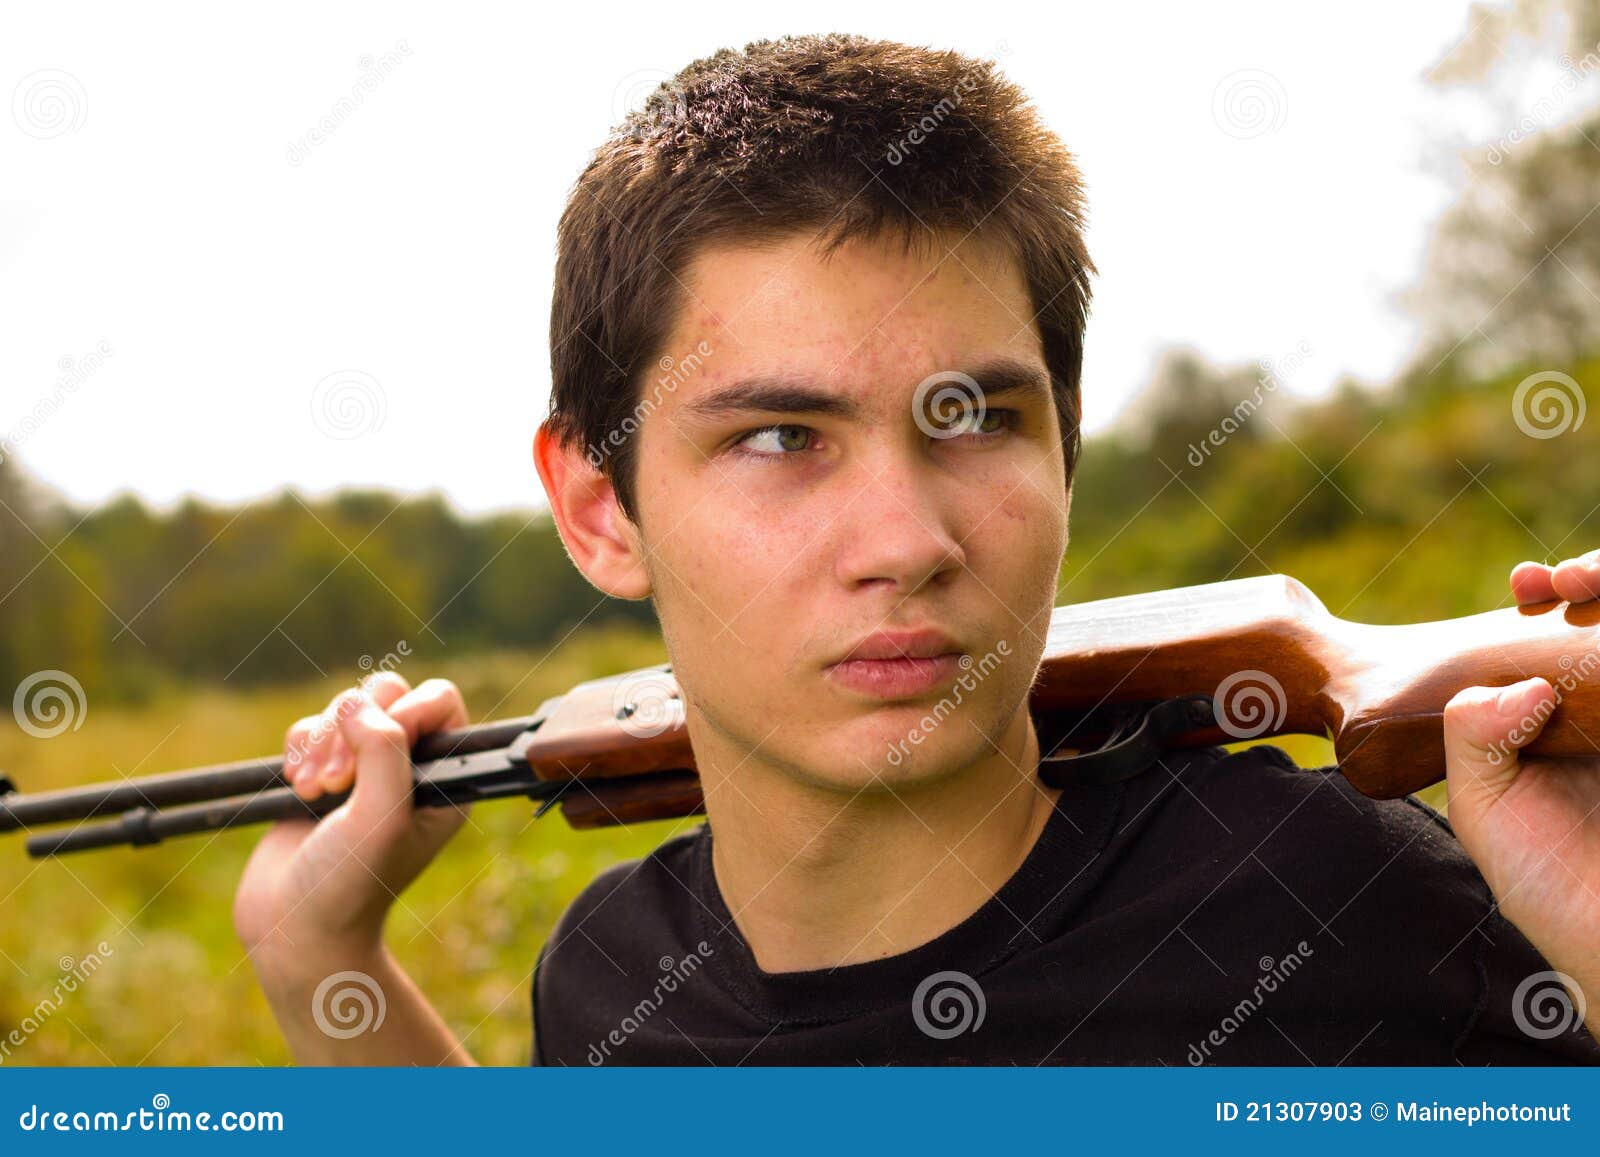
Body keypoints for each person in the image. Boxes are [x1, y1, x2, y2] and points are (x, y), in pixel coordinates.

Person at [231, 33, 1600, 1065]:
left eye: (978, 419)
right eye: (780, 436)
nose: (908, 540)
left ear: (1063, 451)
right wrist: (317, 953)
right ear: (600, 509)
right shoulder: (612, 973)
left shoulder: (1338, 905)